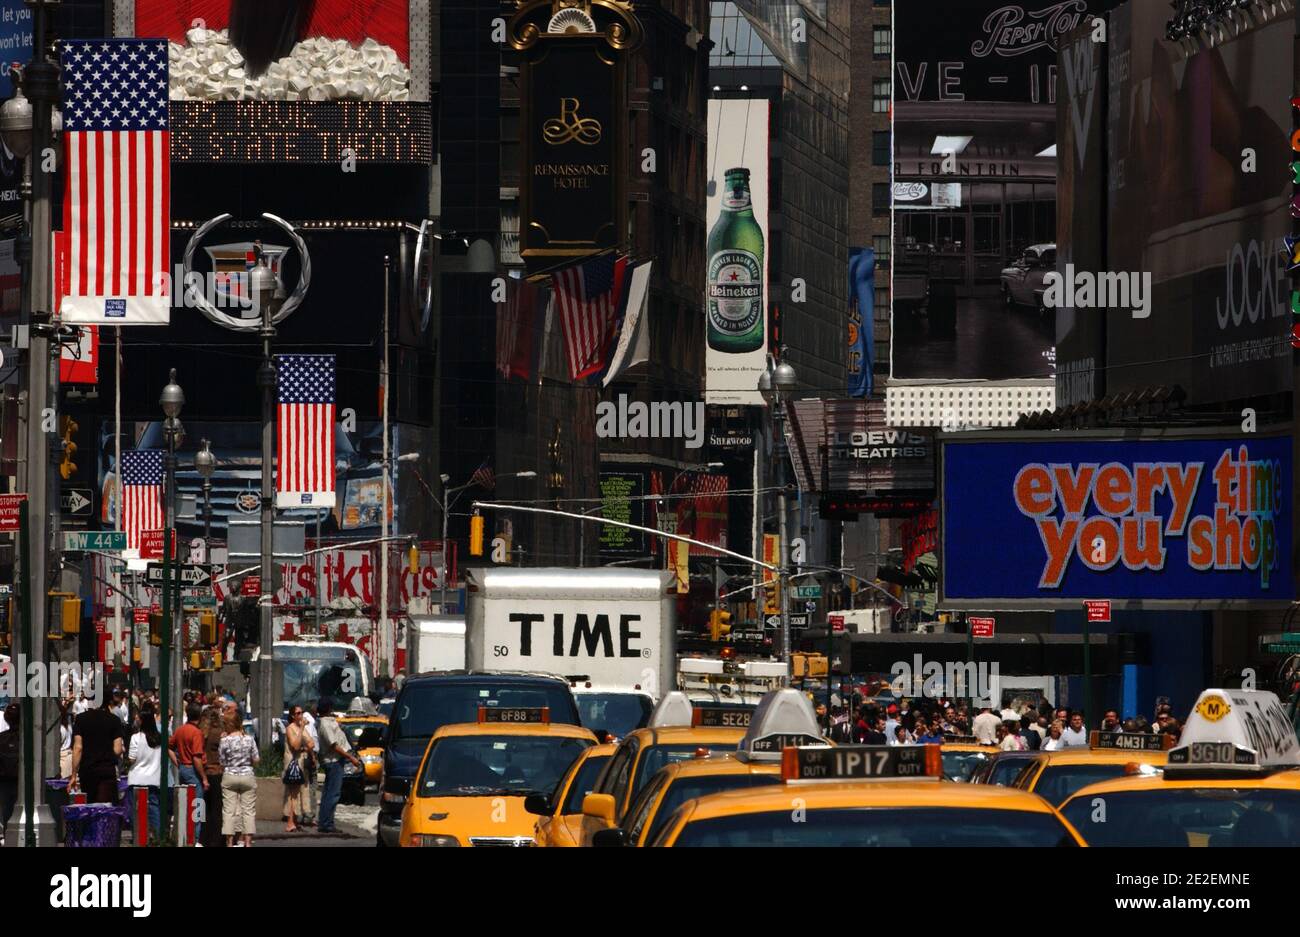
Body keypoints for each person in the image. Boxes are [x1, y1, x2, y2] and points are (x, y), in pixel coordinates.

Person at [126, 701, 175, 842]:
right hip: (153, 780)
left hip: (136, 779)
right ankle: (160, 837)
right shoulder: (159, 738)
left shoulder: (136, 738)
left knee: (136, 811)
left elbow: (132, 758)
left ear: (142, 721)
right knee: (154, 810)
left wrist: (126, 763)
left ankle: (139, 838)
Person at [315, 700, 362, 834]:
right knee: (333, 794)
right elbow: (334, 745)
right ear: (328, 708)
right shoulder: (324, 724)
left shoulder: (329, 721)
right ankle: (326, 824)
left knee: (329, 793)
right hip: (333, 761)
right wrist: (351, 758)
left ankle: (326, 822)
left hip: (336, 760)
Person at [71, 693, 125, 803]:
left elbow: (78, 748)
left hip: (87, 770)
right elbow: (118, 749)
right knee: (105, 808)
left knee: (89, 806)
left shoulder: (80, 719)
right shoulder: (114, 720)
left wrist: (73, 775)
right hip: (107, 771)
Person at [170, 702, 209, 844]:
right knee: (198, 804)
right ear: (199, 716)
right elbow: (197, 758)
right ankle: (196, 838)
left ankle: (184, 836)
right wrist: (204, 778)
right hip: (193, 770)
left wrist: (177, 762)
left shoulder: (180, 730)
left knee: (185, 803)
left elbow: (169, 746)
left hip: (183, 769)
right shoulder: (196, 733)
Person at [218, 711, 258, 847]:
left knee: (228, 811)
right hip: (247, 775)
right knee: (249, 810)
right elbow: (256, 758)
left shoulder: (224, 741)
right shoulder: (249, 739)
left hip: (230, 775)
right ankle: (247, 842)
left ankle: (229, 842)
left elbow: (222, 762)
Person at [282, 706, 314, 833]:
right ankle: (290, 822)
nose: (301, 715)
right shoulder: (290, 728)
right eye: (298, 713)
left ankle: (293, 821)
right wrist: (301, 729)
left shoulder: (302, 728)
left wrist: (304, 749)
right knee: (293, 793)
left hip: (300, 763)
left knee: (297, 793)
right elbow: (295, 745)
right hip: (292, 764)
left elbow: (311, 743)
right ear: (293, 716)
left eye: (301, 712)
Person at [199, 703, 226, 847]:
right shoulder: (219, 733)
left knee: (205, 808)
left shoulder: (202, 733)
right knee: (217, 808)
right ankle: (216, 840)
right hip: (217, 772)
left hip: (203, 772)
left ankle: (204, 838)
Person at [0, 703, 19, 841]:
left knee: (6, 808)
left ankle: (8, 836)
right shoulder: (28, 739)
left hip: (4, 780)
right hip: (21, 780)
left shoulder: (1, 738)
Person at [299, 707, 320, 826]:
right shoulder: (309, 722)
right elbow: (310, 742)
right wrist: (313, 757)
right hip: (308, 757)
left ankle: (305, 814)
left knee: (305, 786)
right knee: (310, 787)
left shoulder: (304, 721)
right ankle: (309, 815)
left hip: (305, 756)